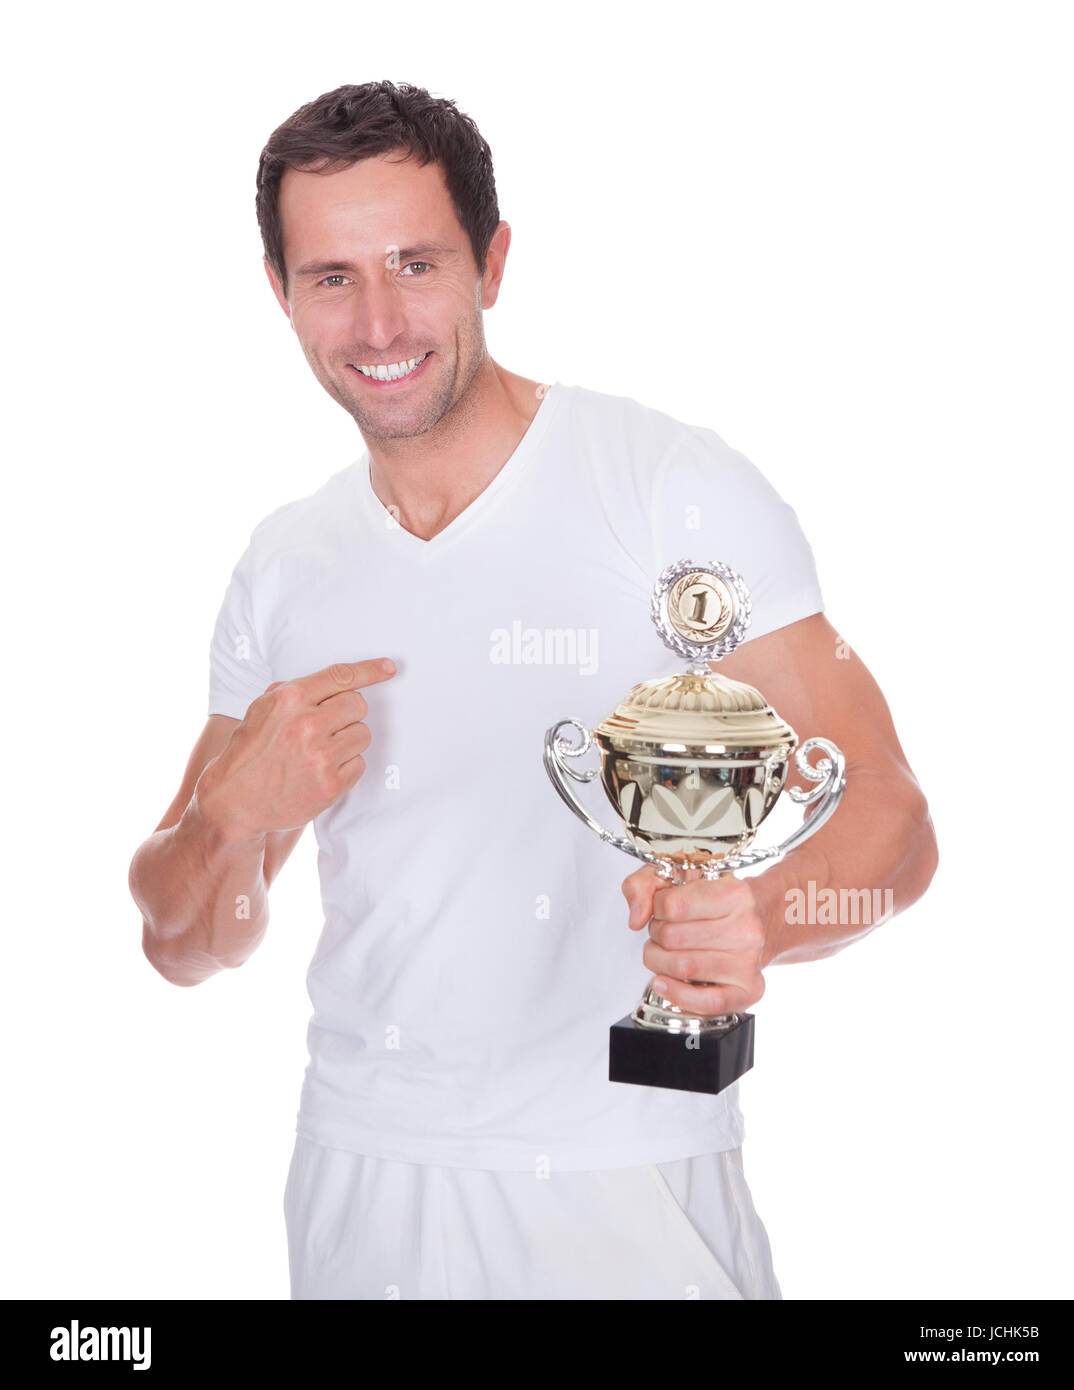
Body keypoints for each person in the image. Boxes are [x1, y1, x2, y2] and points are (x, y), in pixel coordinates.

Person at [128, 80, 939, 1300]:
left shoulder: (664, 487)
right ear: (279, 292)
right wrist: (228, 821)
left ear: (493, 262)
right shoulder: (284, 564)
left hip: (626, 1179)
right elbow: (180, 941)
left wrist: (762, 915)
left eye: (417, 262)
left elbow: (891, 816)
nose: (380, 319)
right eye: (332, 277)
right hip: (361, 1182)